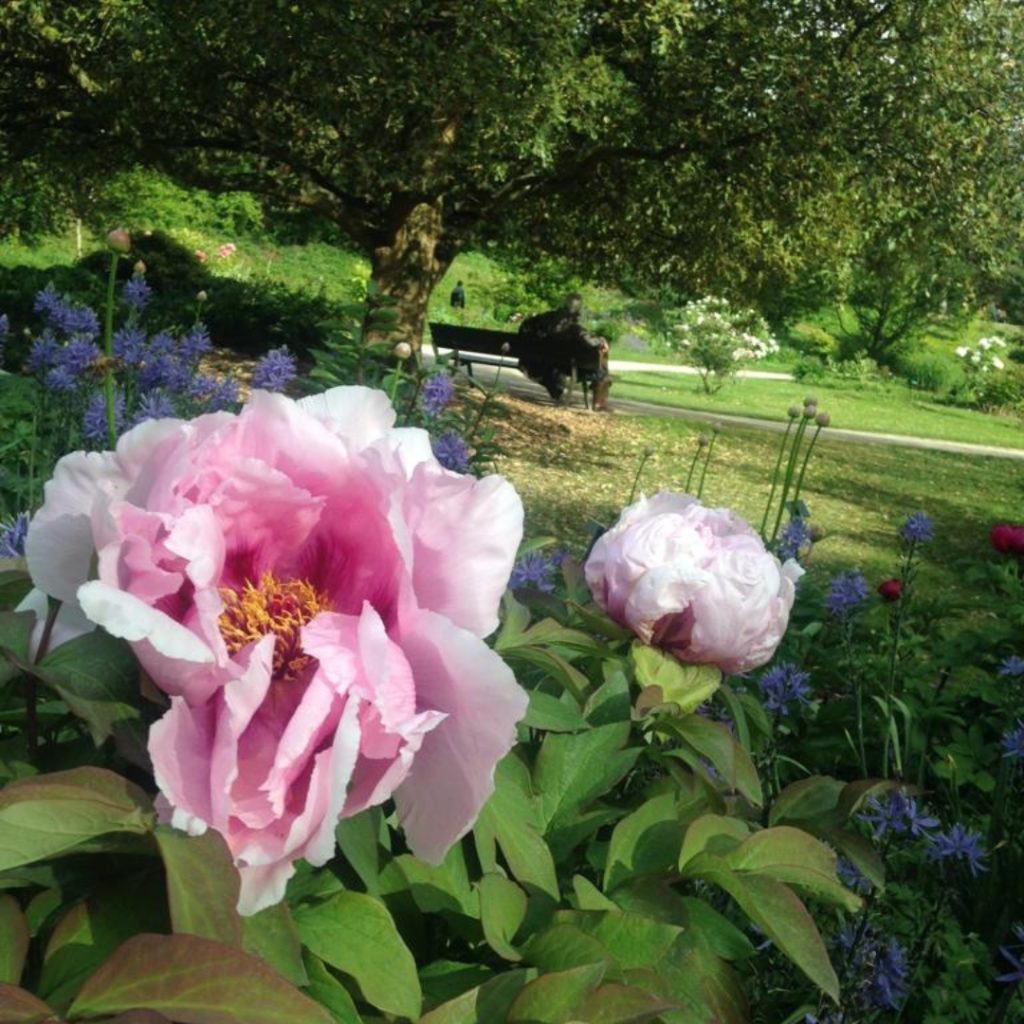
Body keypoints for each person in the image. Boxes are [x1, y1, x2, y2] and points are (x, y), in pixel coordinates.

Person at [518, 293, 611, 410]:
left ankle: (598, 389)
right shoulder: (574, 326)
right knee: (602, 362)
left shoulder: (548, 318)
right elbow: (589, 341)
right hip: (568, 363)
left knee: (599, 365)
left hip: (547, 359)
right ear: (579, 307)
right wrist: (602, 341)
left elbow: (526, 326)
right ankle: (599, 400)